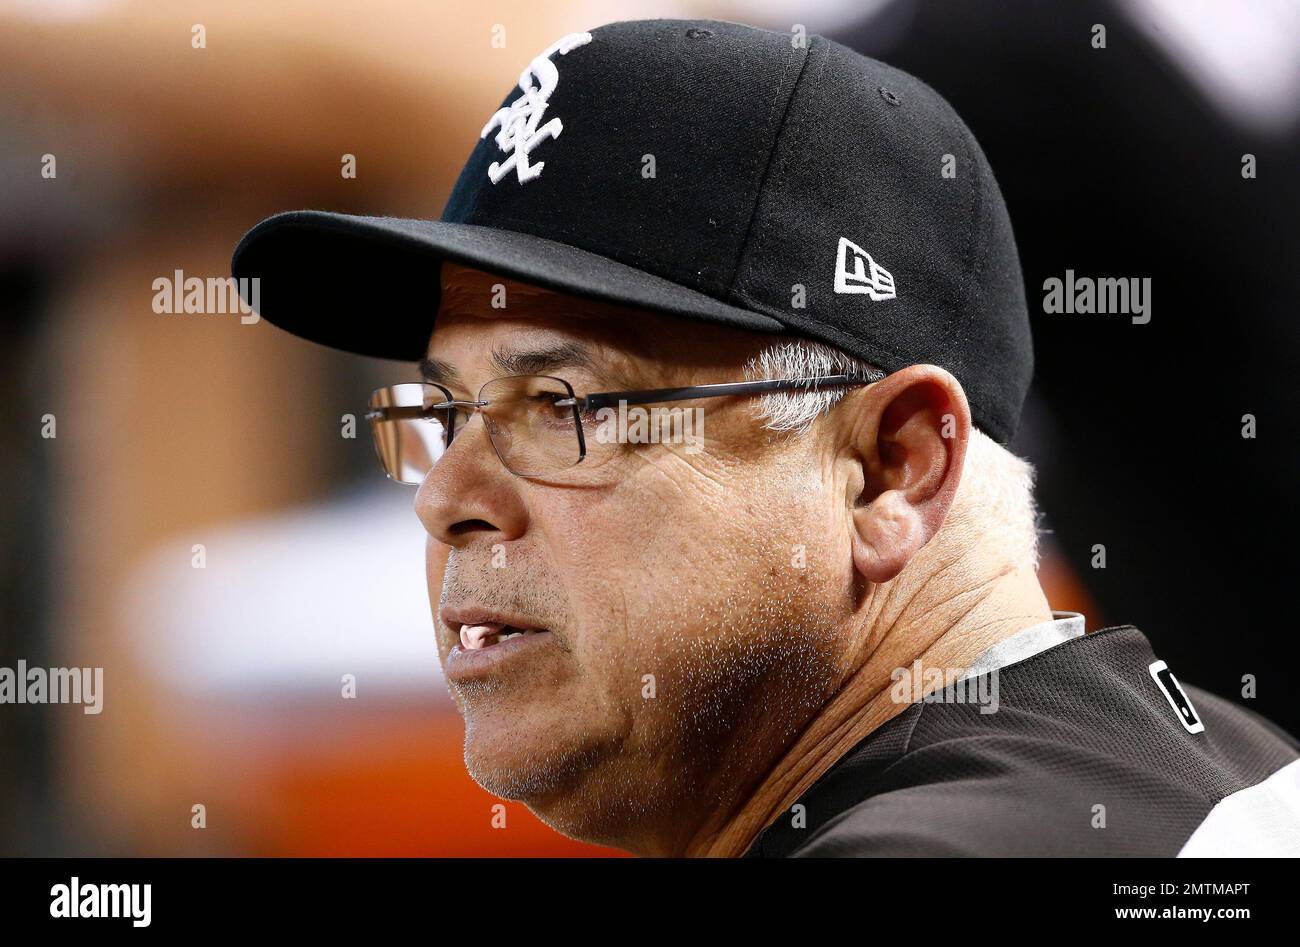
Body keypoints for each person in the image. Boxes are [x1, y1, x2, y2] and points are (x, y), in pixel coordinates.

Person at [232, 19, 1300, 856]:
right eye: (447, 412)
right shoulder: (1207, 760)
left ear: (891, 468)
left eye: (562, 405)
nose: (446, 494)